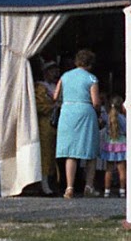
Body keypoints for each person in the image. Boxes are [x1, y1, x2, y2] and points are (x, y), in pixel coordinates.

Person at [54, 48, 103, 198]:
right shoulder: (91, 79)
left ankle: (69, 188)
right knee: (90, 151)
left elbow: (56, 96)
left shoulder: (65, 76)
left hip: (68, 112)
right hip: (85, 112)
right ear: (90, 64)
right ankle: (89, 186)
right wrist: (99, 114)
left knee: (71, 152)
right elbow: (95, 102)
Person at [34, 62, 61, 195]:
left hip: (56, 124)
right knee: (45, 154)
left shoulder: (56, 86)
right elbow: (39, 106)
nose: (55, 73)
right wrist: (53, 107)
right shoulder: (40, 87)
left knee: (53, 155)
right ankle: (44, 184)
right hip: (45, 124)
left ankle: (53, 182)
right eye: (52, 71)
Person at [101, 93, 128, 197]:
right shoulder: (123, 118)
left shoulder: (107, 117)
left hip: (110, 145)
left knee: (109, 169)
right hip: (121, 144)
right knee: (122, 169)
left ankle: (106, 191)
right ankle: (122, 191)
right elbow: (126, 130)